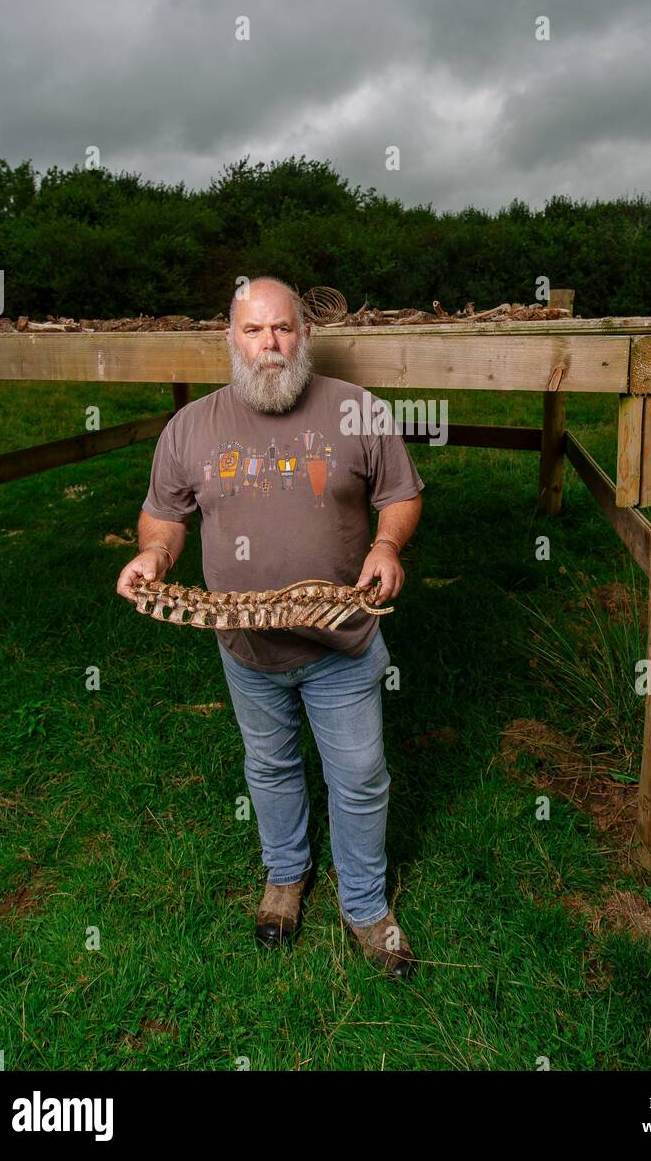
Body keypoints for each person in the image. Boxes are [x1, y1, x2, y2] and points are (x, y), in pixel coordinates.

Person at [116, 277, 424, 980]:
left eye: (282, 329)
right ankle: (285, 880)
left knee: (359, 776)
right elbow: (165, 517)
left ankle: (367, 908)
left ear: (304, 335)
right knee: (271, 766)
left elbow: (400, 494)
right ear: (230, 338)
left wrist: (385, 547)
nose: (269, 346)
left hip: (341, 640)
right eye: (253, 331)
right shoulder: (191, 426)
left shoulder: (356, 411)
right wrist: (154, 553)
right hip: (246, 646)